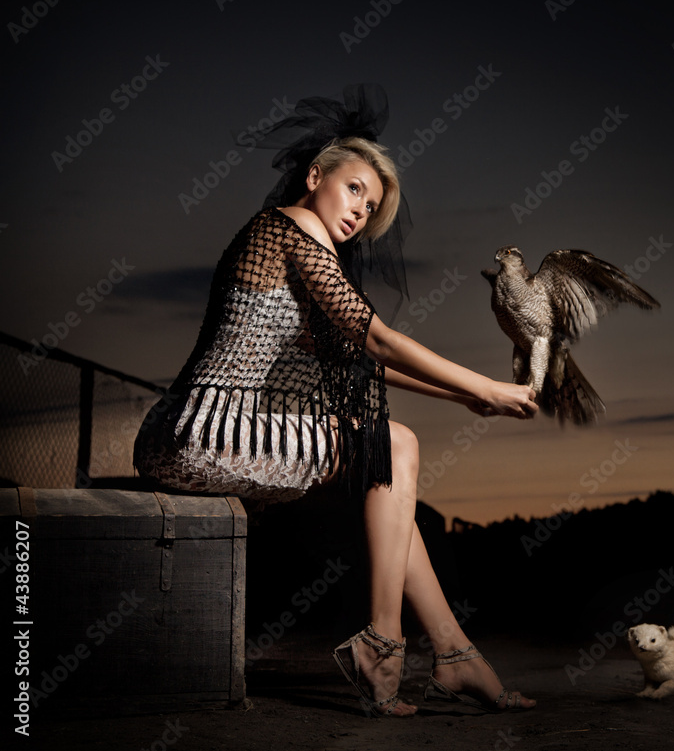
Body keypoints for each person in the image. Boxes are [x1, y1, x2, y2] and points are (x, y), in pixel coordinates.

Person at [133, 87, 538, 717]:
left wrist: (460, 398)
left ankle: (454, 653)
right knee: (394, 445)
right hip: (204, 428)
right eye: (354, 190)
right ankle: (384, 643)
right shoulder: (291, 227)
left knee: (389, 464)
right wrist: (485, 386)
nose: (360, 212)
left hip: (190, 427)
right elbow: (377, 338)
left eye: (371, 206)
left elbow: (358, 358)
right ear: (315, 176)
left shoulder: (286, 254)